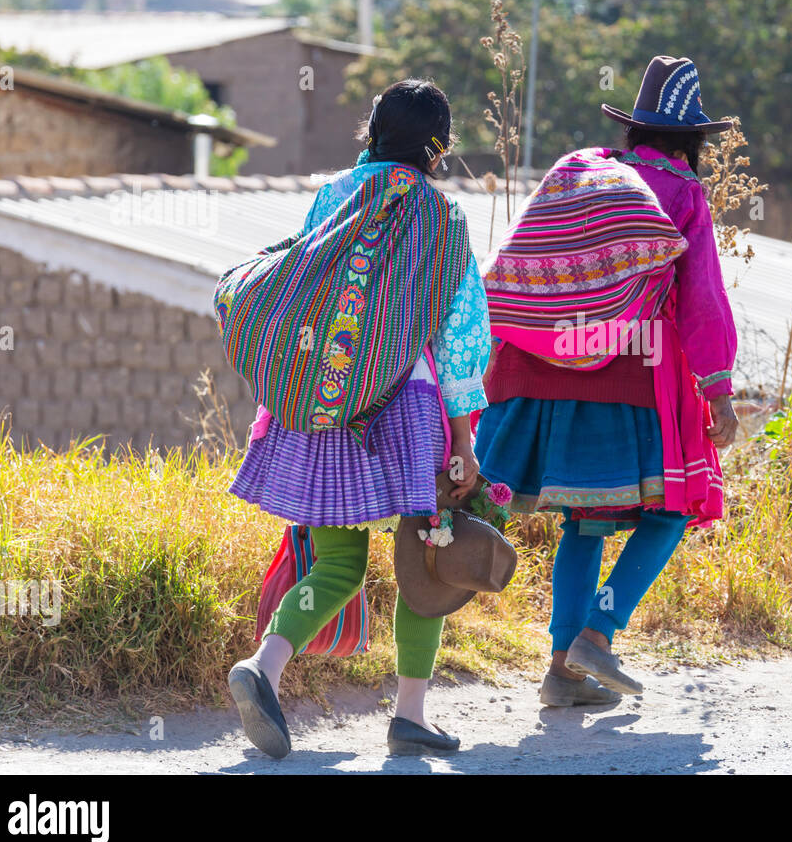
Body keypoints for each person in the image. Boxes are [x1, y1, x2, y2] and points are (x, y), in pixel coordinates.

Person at [223, 79, 490, 758]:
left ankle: (265, 668)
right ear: (440, 149)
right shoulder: (444, 217)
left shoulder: (333, 193)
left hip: (325, 398)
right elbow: (460, 335)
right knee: (427, 561)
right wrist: (463, 439)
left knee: (338, 563)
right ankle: (410, 715)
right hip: (408, 406)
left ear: (372, 130)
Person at [475, 55, 739, 706]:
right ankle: (599, 630)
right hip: (632, 378)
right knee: (673, 510)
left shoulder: (587, 173)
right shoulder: (683, 193)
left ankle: (563, 671)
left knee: (586, 523)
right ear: (694, 142)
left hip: (541, 369)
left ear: (635, 131)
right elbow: (701, 297)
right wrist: (719, 391)